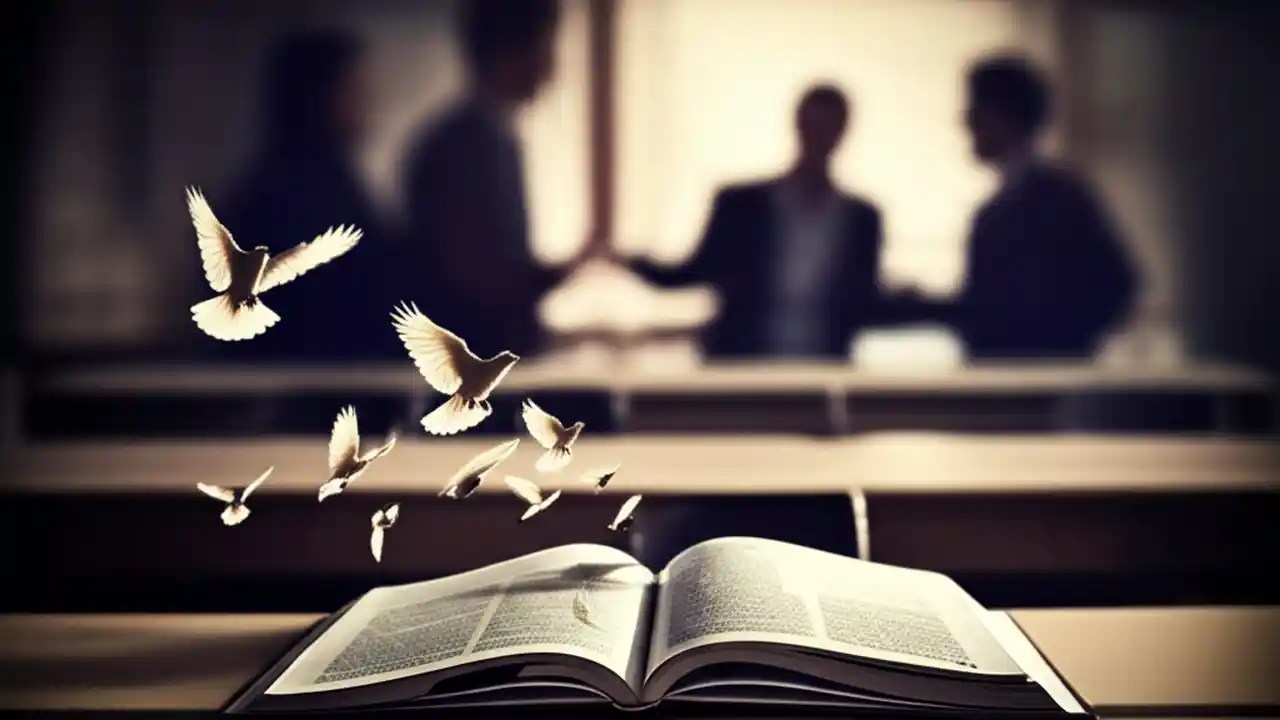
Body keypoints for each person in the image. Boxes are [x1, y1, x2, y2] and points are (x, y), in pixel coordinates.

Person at [899, 54, 1137, 359]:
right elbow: (988, 308)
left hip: (1042, 387)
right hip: (1006, 386)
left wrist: (1058, 350)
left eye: (977, 108)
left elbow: (1115, 287)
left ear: (1008, 115)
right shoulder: (992, 212)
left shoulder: (1063, 199)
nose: (966, 120)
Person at [631, 85, 883, 359]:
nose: (818, 137)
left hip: (822, 368)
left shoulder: (861, 219)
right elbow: (696, 271)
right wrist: (629, 262)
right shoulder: (742, 206)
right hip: (744, 364)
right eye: (813, 126)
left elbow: (863, 301)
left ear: (841, 133)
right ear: (798, 126)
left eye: (826, 129)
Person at [402, 0, 573, 356]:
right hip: (469, 361)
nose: (551, 68)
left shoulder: (477, 138)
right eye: (544, 49)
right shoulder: (468, 146)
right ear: (508, 54)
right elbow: (478, 280)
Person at [214, 30, 397, 360]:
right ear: (317, 97)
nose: (369, 103)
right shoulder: (296, 195)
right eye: (354, 89)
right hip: (309, 382)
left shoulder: (329, 184)